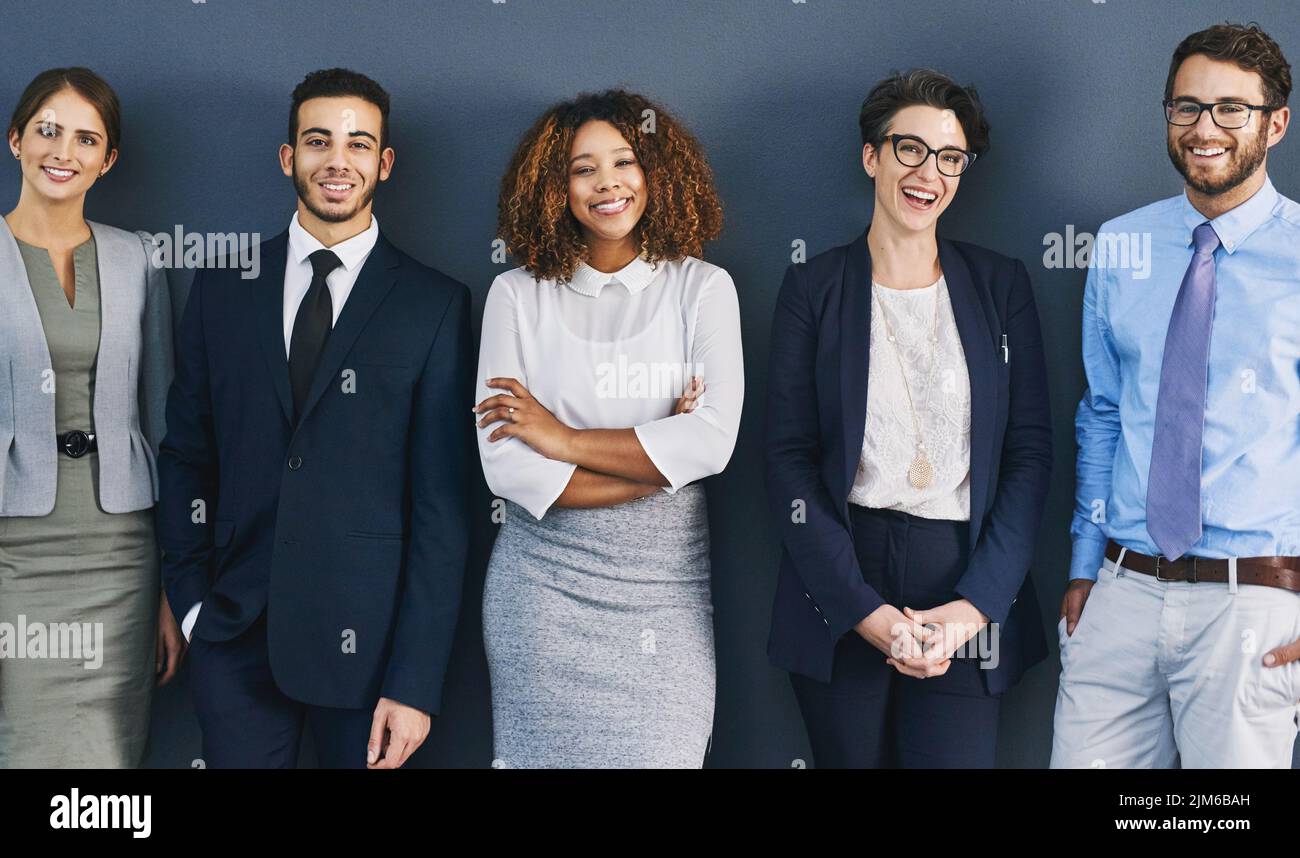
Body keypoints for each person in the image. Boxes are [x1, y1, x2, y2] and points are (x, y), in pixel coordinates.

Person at [158, 68, 472, 768]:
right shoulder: (221, 287)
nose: (338, 160)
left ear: (384, 164)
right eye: (318, 140)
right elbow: (186, 453)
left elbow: (442, 509)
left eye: (359, 144)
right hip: (234, 637)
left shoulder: (434, 305)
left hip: (370, 655)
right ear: (287, 156)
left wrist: (415, 680)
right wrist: (190, 602)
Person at [765, 69, 1052, 768]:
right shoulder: (815, 286)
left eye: (950, 157)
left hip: (963, 579)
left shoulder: (1000, 284)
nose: (930, 173)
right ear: (873, 157)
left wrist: (972, 610)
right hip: (842, 579)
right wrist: (867, 613)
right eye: (910, 150)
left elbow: (1030, 452)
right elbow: (788, 457)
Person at [1053, 22, 1300, 768]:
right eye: (1186, 107)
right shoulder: (1121, 244)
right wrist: (1082, 565)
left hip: (1252, 603)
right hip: (1120, 591)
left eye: (1231, 109)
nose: (1205, 129)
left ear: (1275, 124)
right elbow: (1101, 414)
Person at [474, 89, 742, 767]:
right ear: (553, 187)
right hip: (541, 595)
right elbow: (509, 470)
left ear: (656, 170)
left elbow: (710, 442)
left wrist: (561, 438)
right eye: (581, 168)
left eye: (624, 161)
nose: (606, 184)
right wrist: (656, 460)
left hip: (664, 594)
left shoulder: (703, 289)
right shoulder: (516, 295)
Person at [0, 67, 182, 768]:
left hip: (122, 556)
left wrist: (171, 585)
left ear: (106, 161)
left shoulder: (137, 259)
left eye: (85, 138)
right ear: (16, 139)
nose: (62, 151)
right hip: (13, 554)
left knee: (112, 757)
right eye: (47, 130)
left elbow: (164, 422)